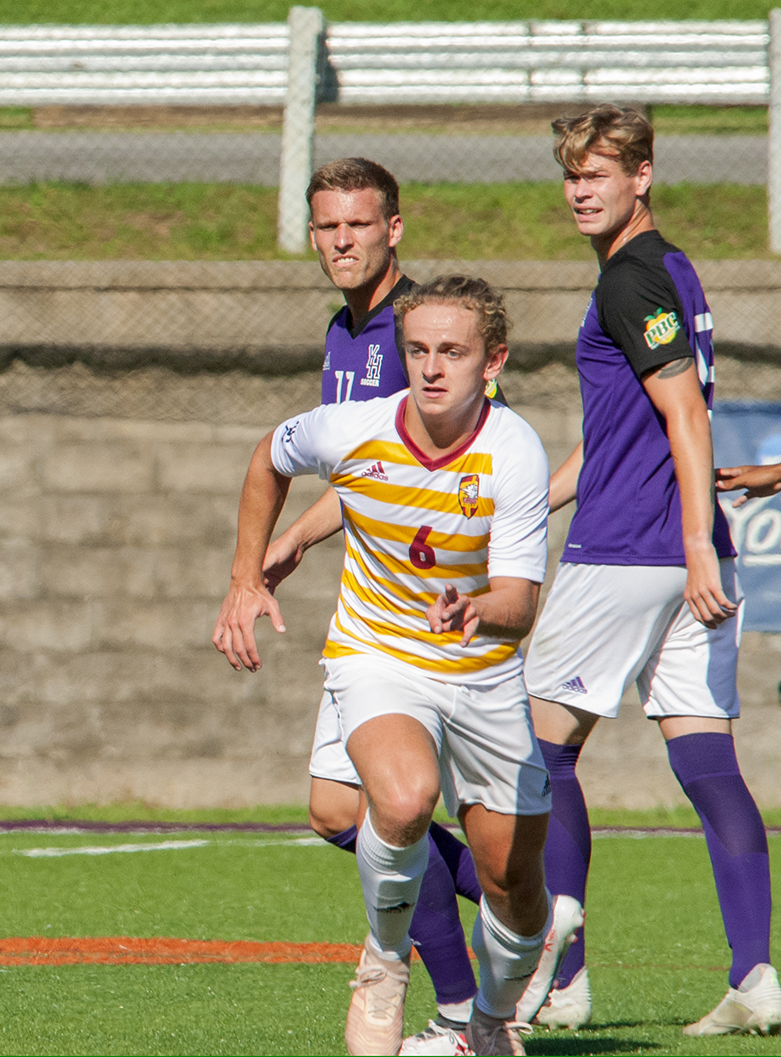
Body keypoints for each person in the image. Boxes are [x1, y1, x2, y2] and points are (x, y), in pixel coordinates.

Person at [215, 275, 554, 1056]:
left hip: (482, 673)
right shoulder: (353, 428)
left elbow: (519, 602)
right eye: (419, 350)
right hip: (379, 654)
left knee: (514, 888)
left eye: (453, 352)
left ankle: (491, 1017)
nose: (432, 367)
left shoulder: (513, 451)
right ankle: (384, 963)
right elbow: (269, 457)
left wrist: (475, 608)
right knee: (401, 803)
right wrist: (245, 576)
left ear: (492, 362)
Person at [516, 104, 778, 1036]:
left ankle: (563, 979)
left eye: (599, 173)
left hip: (630, 549)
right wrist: (526, 506)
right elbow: (621, 430)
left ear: (643, 176)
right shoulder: (673, 269)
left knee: (538, 755)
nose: (580, 190)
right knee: (707, 763)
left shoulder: (629, 281)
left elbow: (686, 417)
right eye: (571, 174)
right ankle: (755, 978)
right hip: (683, 554)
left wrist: (698, 539)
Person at [255, 158, 497, 1055]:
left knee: (388, 808)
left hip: (420, 610)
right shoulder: (343, 330)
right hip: (369, 601)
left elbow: (470, 446)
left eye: (358, 225)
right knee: (337, 810)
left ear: (393, 229)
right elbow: (366, 469)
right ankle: (522, 907)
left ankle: (466, 1006)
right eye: (327, 227)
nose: (341, 241)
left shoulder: (418, 332)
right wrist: (299, 535)